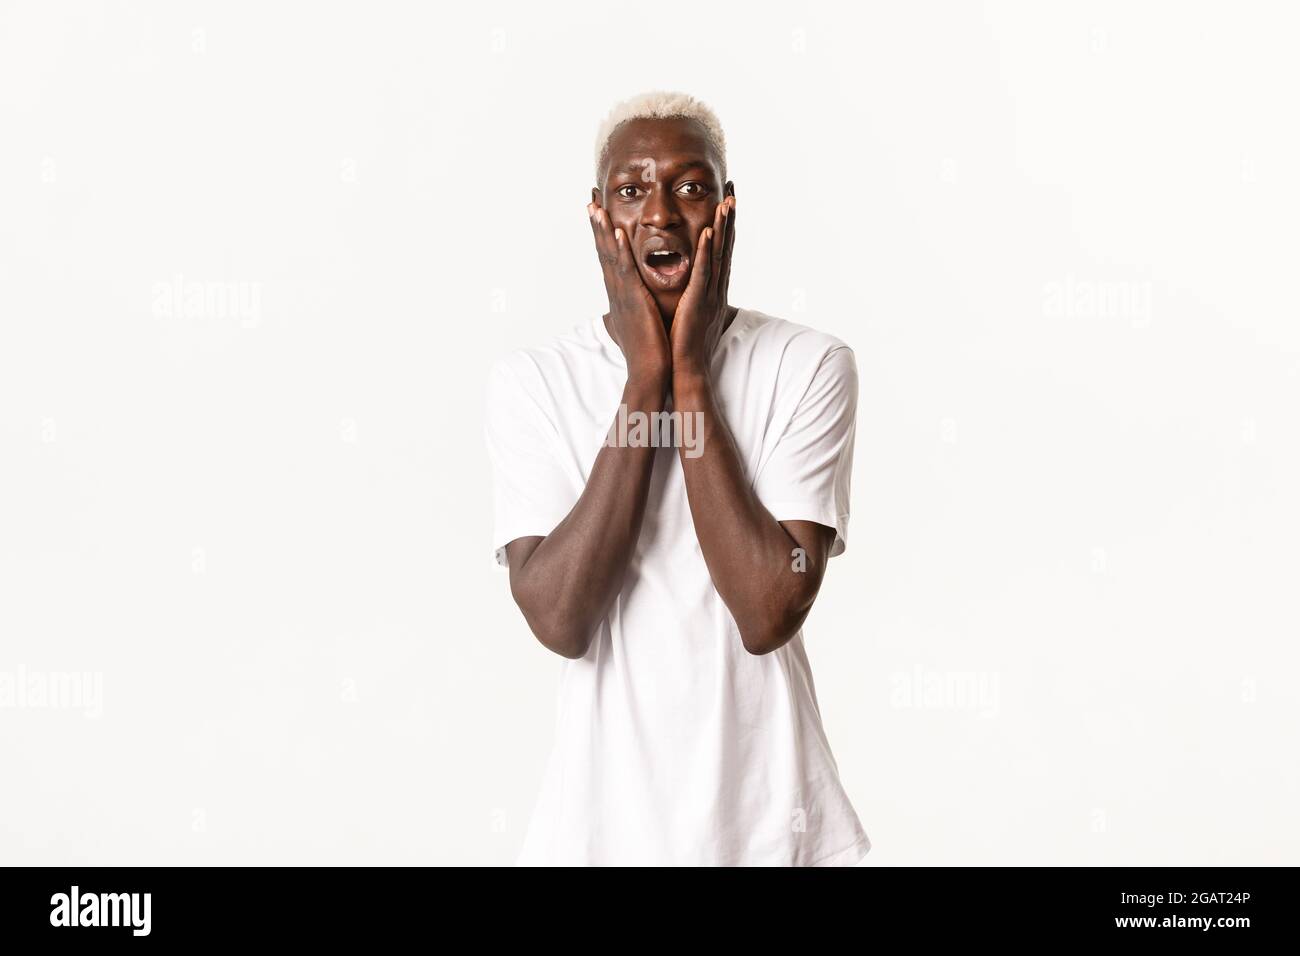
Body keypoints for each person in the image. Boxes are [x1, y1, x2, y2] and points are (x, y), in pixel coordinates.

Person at [485, 91, 870, 865]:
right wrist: (644, 380)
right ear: (599, 217)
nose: (660, 213)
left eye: (690, 187)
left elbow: (767, 609)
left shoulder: (808, 366)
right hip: (597, 836)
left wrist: (688, 376)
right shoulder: (535, 382)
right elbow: (560, 618)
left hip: (771, 830)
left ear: (726, 212)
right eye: (631, 190)